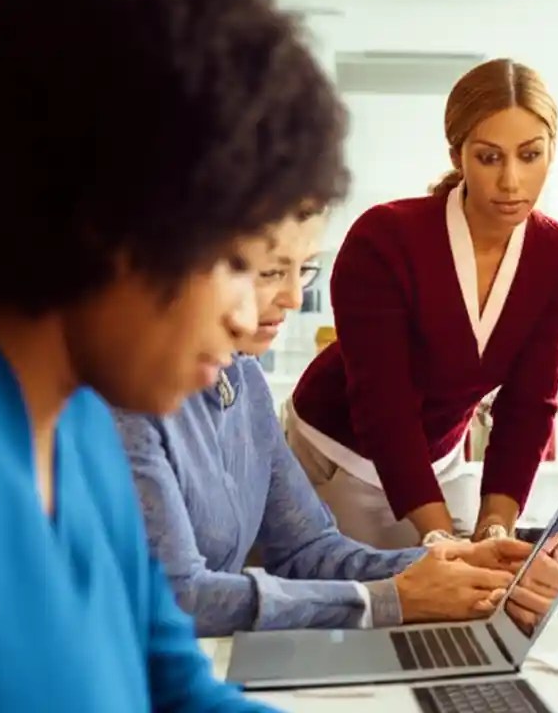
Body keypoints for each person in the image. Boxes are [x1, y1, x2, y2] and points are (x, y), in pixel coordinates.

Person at [0, 0, 345, 710]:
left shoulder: (78, 425)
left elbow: (174, 687)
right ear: (113, 218)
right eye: (237, 262)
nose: (246, 319)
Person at [115, 208, 528, 637]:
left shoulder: (246, 379)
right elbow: (180, 598)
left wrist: (458, 564)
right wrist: (389, 599)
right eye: (272, 272)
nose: (294, 297)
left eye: (305, 269)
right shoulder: (126, 400)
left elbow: (307, 547)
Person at [285, 58, 558, 550]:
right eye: (490, 157)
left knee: (475, 588)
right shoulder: (384, 239)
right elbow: (384, 406)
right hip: (338, 452)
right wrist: (440, 536)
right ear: (458, 155)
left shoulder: (555, 255)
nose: (512, 181)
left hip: (439, 461)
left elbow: (530, 404)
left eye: (530, 155)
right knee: (375, 603)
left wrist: (495, 529)